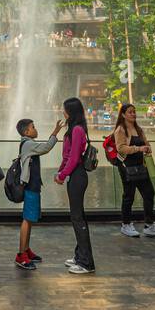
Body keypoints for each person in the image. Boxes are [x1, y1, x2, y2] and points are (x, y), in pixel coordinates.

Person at [13, 116, 62, 269]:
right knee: (27, 219)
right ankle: (21, 255)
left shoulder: (29, 143)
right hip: (30, 187)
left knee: (30, 218)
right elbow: (47, 147)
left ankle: (26, 250)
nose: (36, 129)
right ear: (27, 131)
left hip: (33, 186)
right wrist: (55, 132)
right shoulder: (28, 144)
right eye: (33, 127)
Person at [112, 103, 155, 238]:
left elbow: (146, 143)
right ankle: (126, 224)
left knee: (149, 193)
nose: (133, 114)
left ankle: (149, 224)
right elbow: (120, 148)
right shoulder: (120, 130)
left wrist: (147, 148)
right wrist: (138, 148)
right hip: (126, 166)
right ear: (123, 114)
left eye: (134, 112)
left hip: (141, 166)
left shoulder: (139, 129)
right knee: (128, 195)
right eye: (130, 112)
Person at [55, 96, 95, 275]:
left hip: (77, 175)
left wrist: (63, 175)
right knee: (77, 217)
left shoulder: (77, 130)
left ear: (70, 111)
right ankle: (80, 256)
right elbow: (67, 156)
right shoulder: (73, 129)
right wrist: (60, 171)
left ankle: (86, 262)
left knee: (77, 218)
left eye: (64, 109)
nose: (62, 111)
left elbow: (74, 158)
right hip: (73, 175)